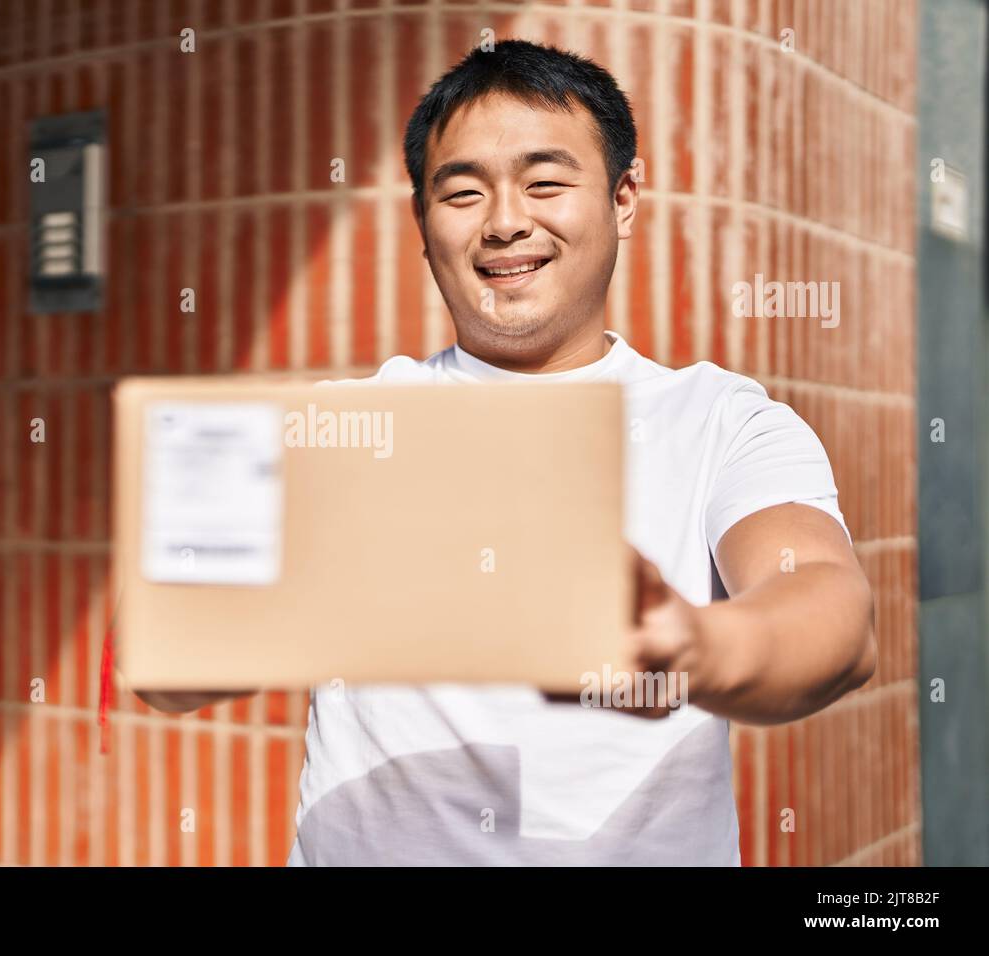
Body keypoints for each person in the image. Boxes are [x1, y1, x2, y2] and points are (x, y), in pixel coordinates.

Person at [136, 39, 875, 866]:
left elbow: (829, 613)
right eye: (461, 192)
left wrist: (695, 648)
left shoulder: (719, 422)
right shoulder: (339, 428)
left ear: (624, 198)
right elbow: (161, 659)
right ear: (422, 223)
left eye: (546, 182)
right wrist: (220, 631)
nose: (504, 222)